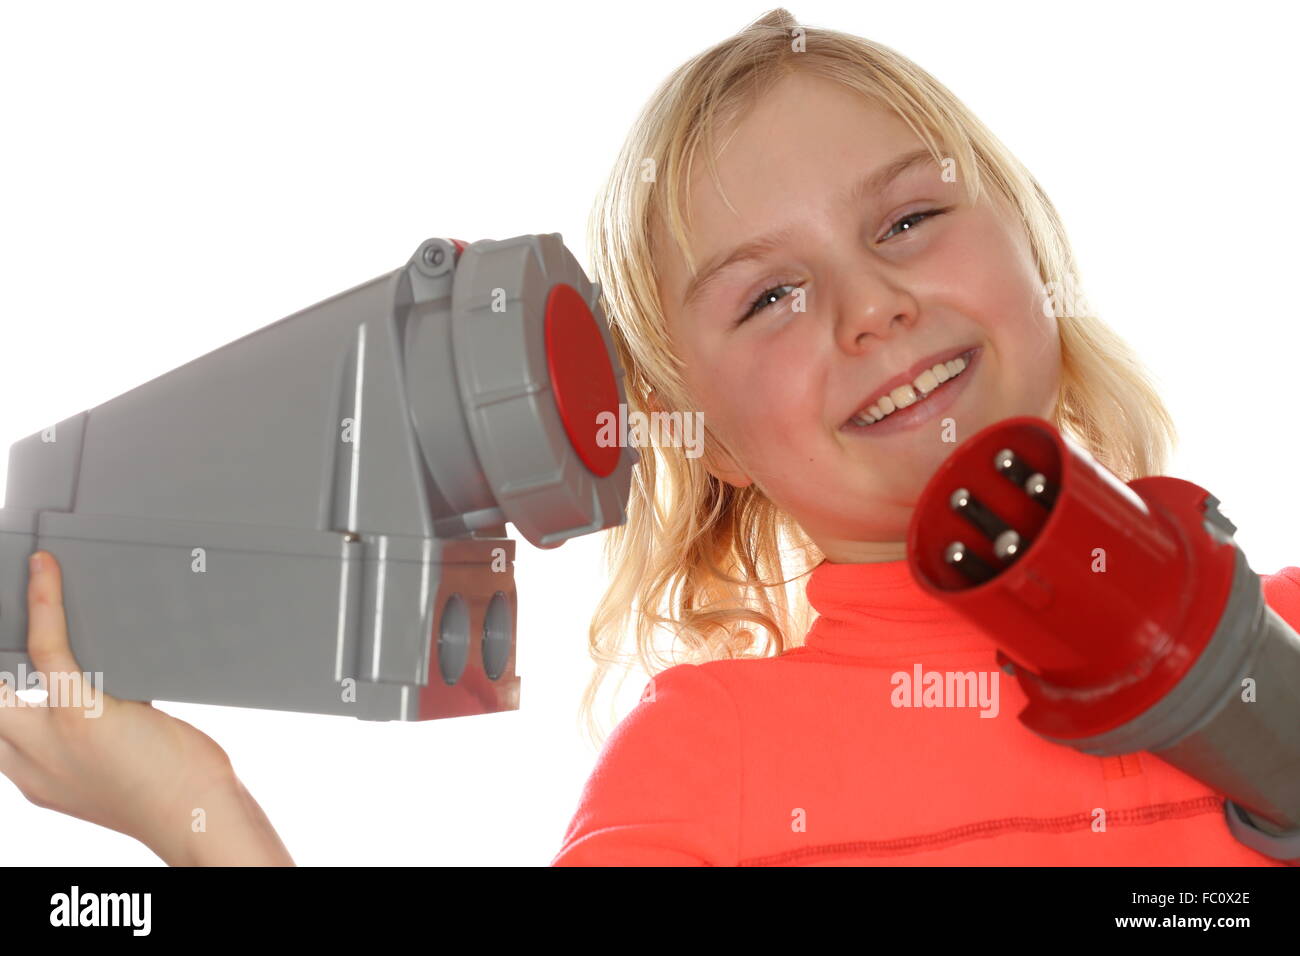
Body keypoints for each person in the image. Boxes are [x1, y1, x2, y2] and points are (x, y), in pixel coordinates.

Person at [2, 9, 1295, 866]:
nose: (872, 309)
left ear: (1029, 243)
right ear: (709, 436)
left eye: (907, 222)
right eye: (768, 297)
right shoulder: (704, 774)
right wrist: (200, 817)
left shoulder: (1281, 629)